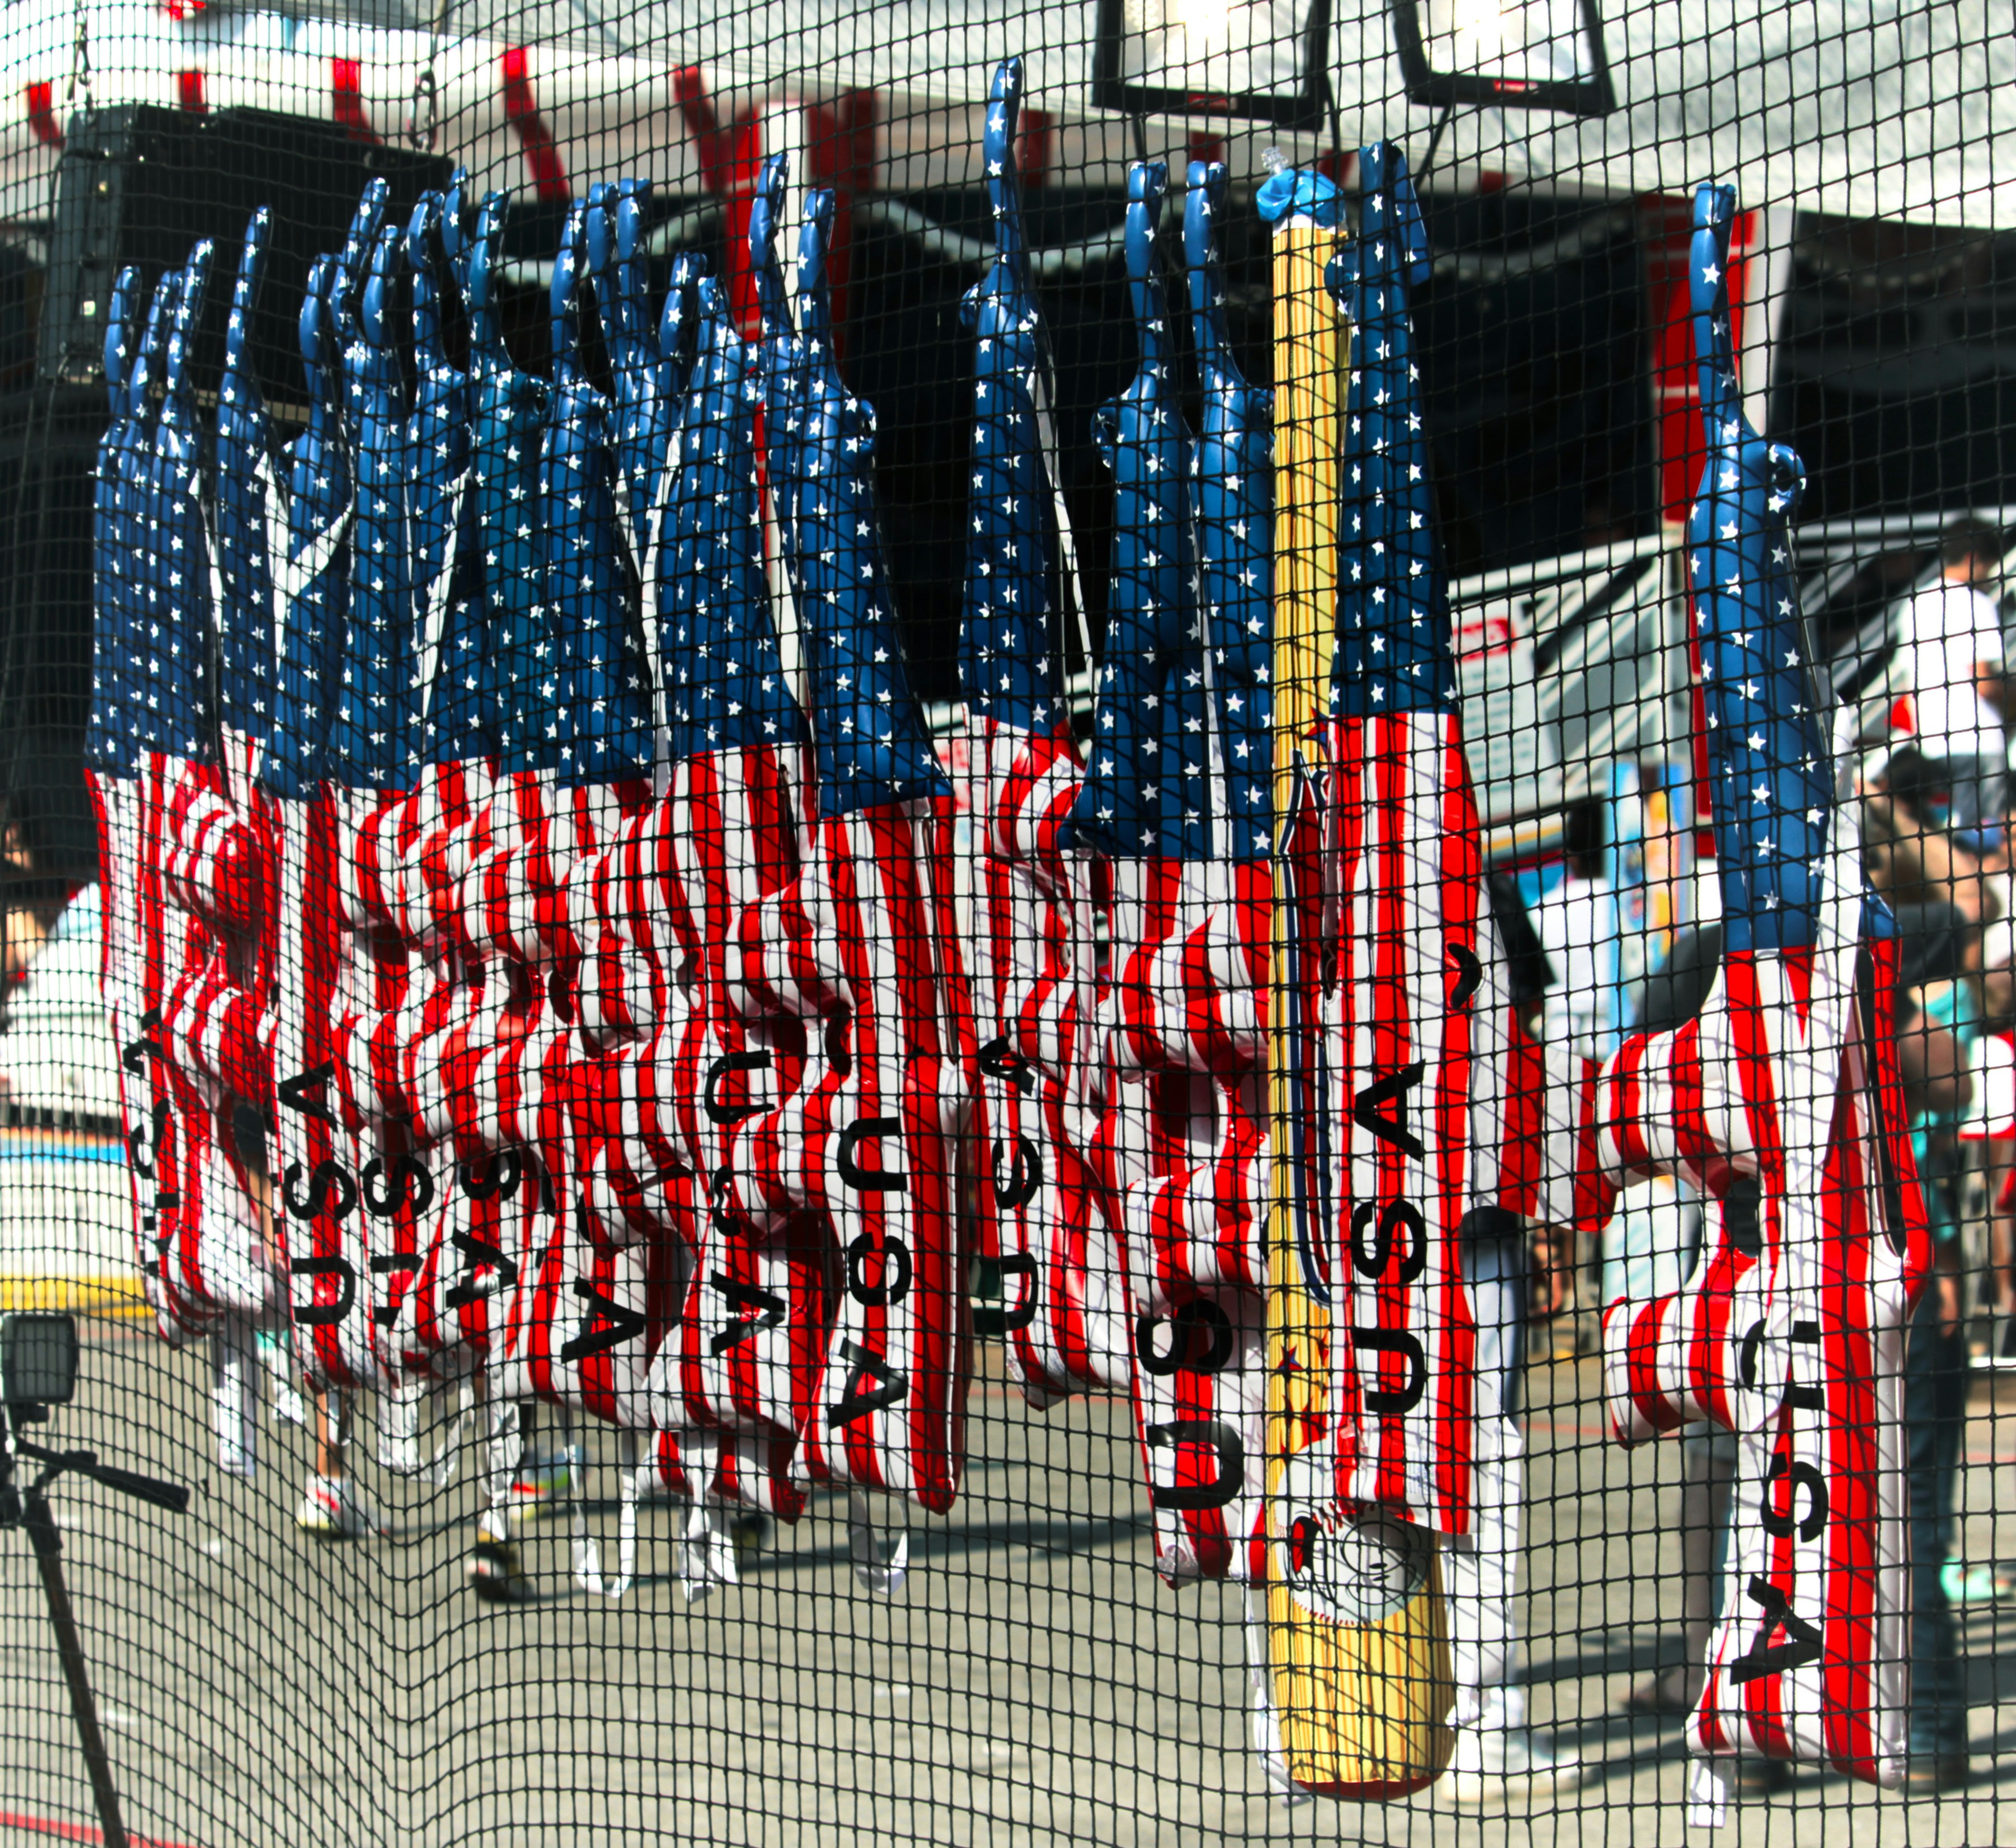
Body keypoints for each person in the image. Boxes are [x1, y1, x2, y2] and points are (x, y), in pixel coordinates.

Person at [1892, 902, 1986, 1790]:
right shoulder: (1861, 994)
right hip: (1864, 1282)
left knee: (1775, 1498)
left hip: (1807, 1280)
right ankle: (1923, 1725)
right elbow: (1948, 1075)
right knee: (1910, 1504)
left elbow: (1952, 1082)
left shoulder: (1748, 983)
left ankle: (1765, 1726)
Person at [1891, 517, 2012, 843]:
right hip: (1977, 743)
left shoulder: (1914, 604)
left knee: (1948, 846)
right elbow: (1985, 684)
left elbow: (1907, 681)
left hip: (1930, 744)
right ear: (1975, 559)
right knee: (1984, 848)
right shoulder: (1976, 604)